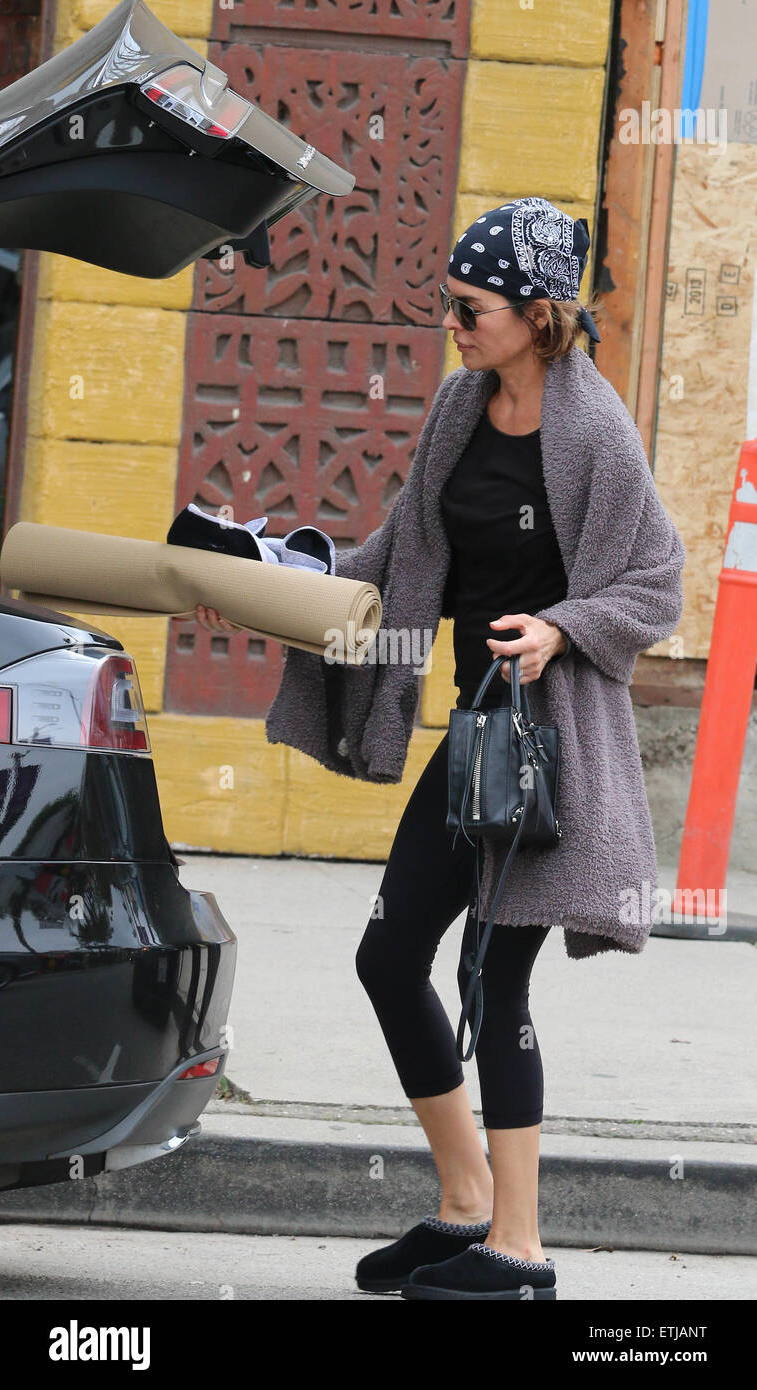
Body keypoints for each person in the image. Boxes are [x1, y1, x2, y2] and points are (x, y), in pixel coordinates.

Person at [194, 196, 682, 1301]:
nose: (450, 323)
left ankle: (521, 1252)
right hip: (475, 736)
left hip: (551, 752)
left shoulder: (593, 431)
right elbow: (406, 541)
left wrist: (563, 627)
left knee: (494, 977)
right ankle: (465, 1206)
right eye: (448, 306)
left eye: (467, 307)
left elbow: (655, 581)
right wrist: (283, 581)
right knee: (388, 954)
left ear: (534, 313)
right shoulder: (461, 407)